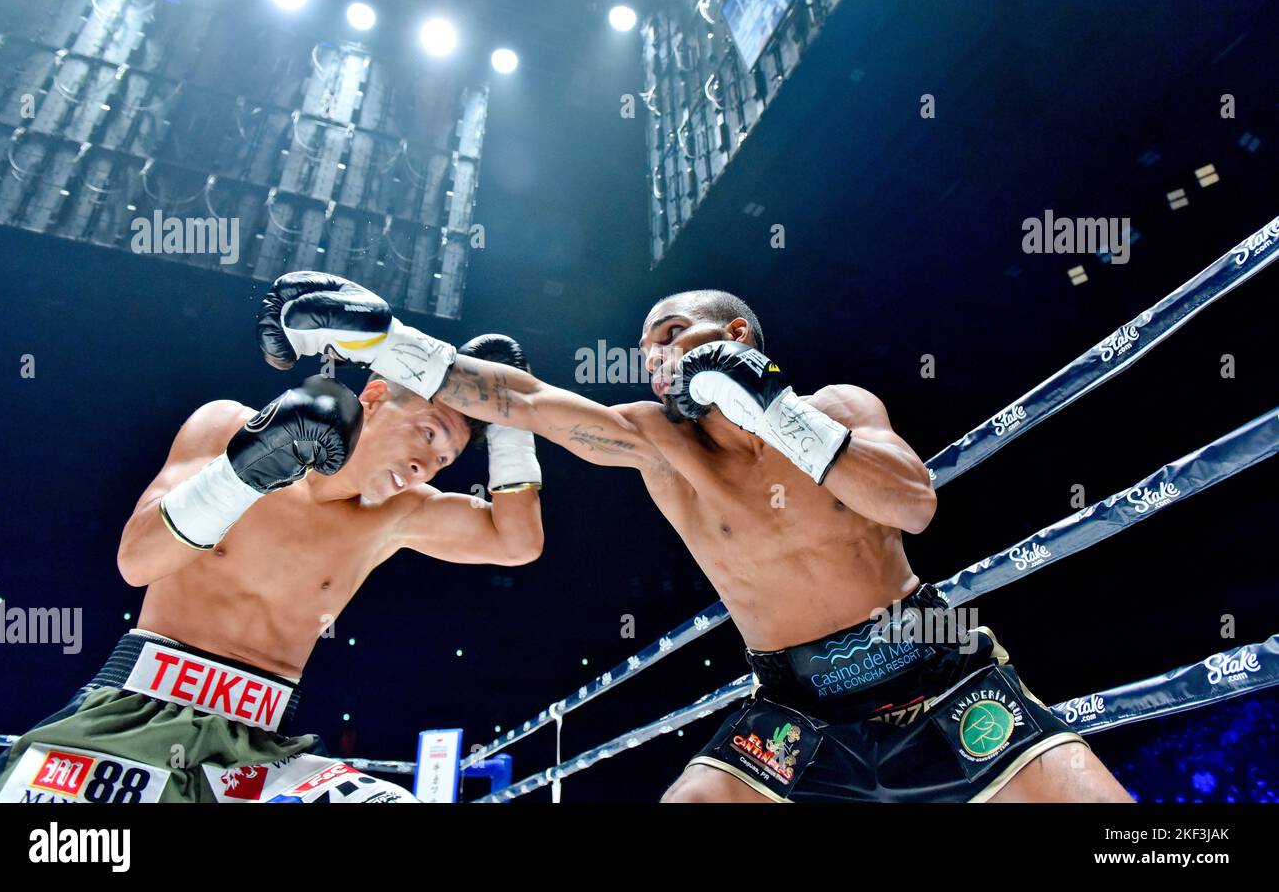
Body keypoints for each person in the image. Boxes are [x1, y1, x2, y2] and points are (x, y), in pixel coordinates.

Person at [255, 270, 1132, 803]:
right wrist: (384, 340)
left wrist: (782, 415)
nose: (656, 358)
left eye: (672, 335)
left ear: (738, 335)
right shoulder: (658, 442)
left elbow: (913, 505)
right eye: (646, 348)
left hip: (932, 674)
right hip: (794, 706)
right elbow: (520, 400)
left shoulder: (837, 408)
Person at [0, 330, 543, 804]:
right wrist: (246, 471)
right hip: (132, 717)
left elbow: (516, 542)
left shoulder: (401, 514)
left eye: (444, 460)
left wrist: (510, 415)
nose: (427, 465)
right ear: (374, 396)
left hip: (260, 751)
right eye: (428, 432)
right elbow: (136, 560)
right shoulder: (228, 425)